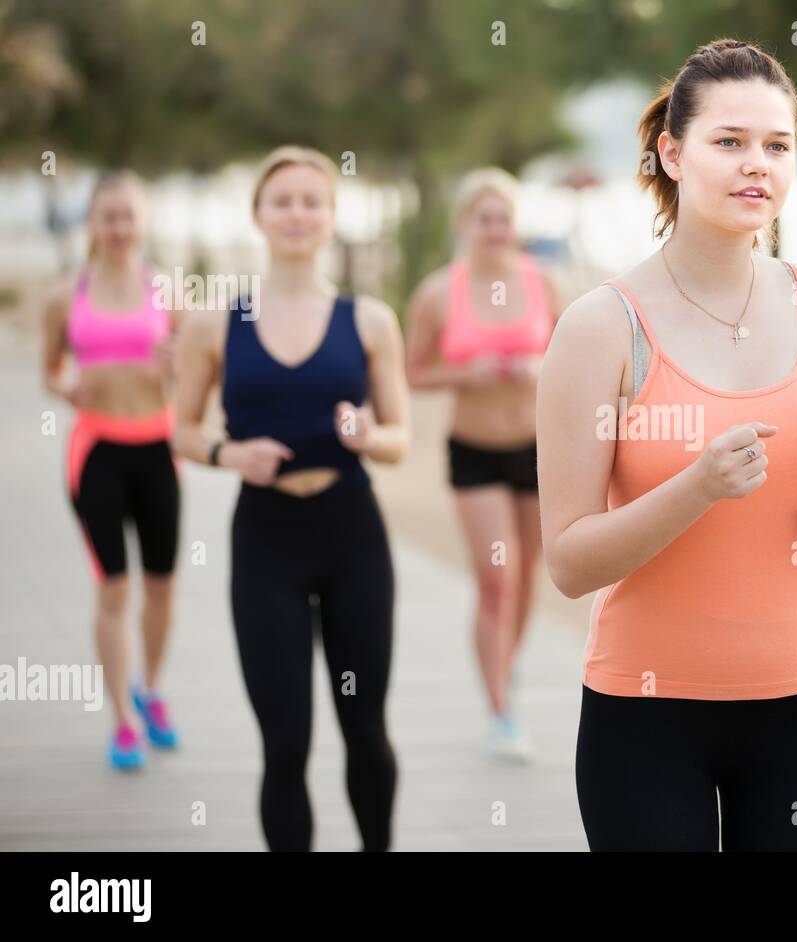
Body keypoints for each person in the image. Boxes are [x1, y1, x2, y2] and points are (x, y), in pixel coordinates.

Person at [537, 39, 797, 851]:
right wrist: (697, 487)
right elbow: (569, 563)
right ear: (672, 152)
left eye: (777, 145)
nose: (755, 164)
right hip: (650, 715)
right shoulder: (601, 327)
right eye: (728, 141)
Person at [173, 146, 412, 851]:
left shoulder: (369, 320)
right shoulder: (214, 323)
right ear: (258, 215)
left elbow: (401, 439)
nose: (298, 214)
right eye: (283, 201)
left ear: (332, 217)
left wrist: (371, 434)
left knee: (365, 728)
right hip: (266, 540)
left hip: (352, 536)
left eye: (313, 200)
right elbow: (182, 430)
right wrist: (228, 453)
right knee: (285, 742)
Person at [405, 168, 560, 762]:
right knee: (496, 578)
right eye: (484, 219)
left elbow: (576, 356)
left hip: (537, 450)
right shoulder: (439, 293)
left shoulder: (543, 282)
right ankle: (500, 709)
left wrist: (539, 367)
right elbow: (411, 373)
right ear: (465, 224)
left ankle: (506, 667)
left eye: (504, 218)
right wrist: (461, 374)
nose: (495, 229)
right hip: (474, 452)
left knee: (526, 579)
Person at [41, 170, 182, 770]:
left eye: (129, 216)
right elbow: (49, 371)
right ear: (92, 223)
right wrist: (70, 391)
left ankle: (148, 689)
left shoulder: (168, 290)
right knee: (113, 587)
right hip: (96, 452)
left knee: (161, 585)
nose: (119, 228)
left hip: (157, 451)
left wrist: (174, 369)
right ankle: (121, 722)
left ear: (142, 222)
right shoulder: (64, 294)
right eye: (108, 217)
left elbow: (193, 376)